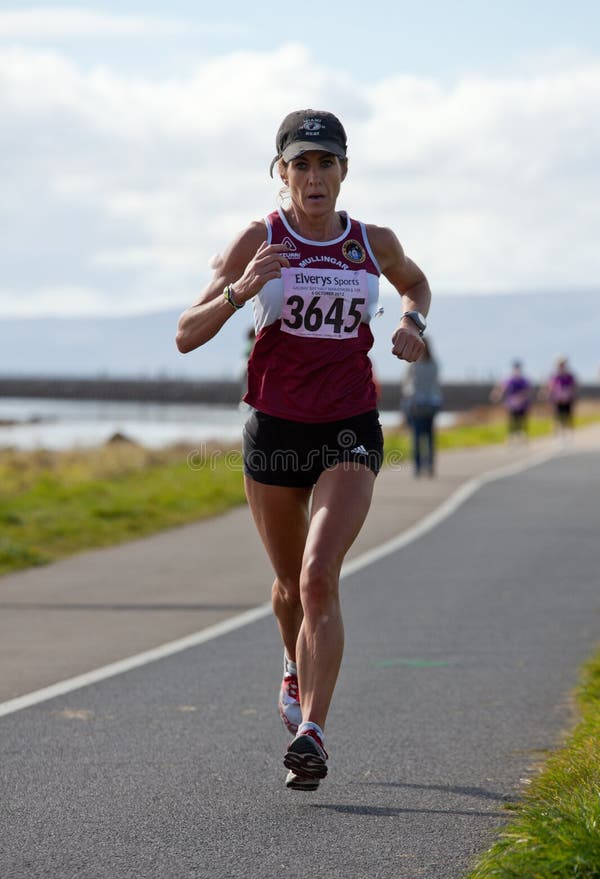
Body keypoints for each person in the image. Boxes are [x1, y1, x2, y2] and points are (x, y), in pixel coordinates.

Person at [176, 109, 430, 791]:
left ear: (344, 171)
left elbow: (416, 282)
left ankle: (312, 733)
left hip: (349, 427)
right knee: (290, 588)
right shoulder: (259, 238)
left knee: (320, 575)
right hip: (276, 429)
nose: (314, 177)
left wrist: (413, 321)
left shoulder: (372, 242)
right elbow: (185, 334)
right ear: (281, 173)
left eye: (326, 163)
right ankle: (292, 663)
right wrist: (240, 291)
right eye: (301, 165)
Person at [402, 337, 442, 476]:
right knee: (429, 437)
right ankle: (429, 465)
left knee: (417, 437)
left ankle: (418, 467)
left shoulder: (413, 363)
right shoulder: (434, 363)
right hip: (431, 404)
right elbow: (436, 384)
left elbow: (407, 385)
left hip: (417, 405)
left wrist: (407, 401)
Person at [490, 360, 532, 442]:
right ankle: (512, 436)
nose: (517, 370)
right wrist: (497, 394)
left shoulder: (523, 380)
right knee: (512, 420)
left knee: (522, 420)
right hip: (512, 404)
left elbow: (527, 390)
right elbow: (502, 387)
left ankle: (523, 436)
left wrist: (521, 397)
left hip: (522, 404)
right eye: (515, 369)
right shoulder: (510, 379)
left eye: (518, 369)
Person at [540, 357, 578, 443]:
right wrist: (546, 394)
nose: (561, 366)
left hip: (567, 400)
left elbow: (574, 386)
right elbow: (550, 386)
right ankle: (558, 436)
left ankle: (568, 435)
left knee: (568, 418)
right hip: (557, 400)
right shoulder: (554, 375)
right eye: (560, 364)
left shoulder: (569, 375)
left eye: (562, 364)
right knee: (557, 418)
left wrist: (569, 393)